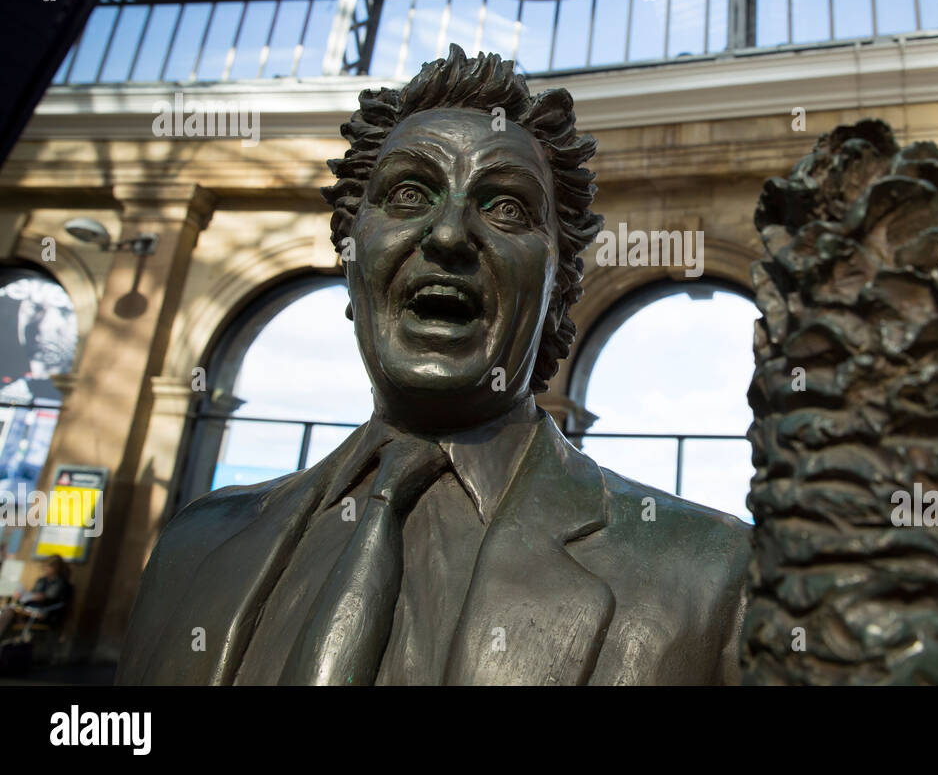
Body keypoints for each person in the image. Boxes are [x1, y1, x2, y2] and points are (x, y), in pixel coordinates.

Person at [117, 45, 751, 685]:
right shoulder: (191, 549)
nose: (448, 235)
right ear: (351, 255)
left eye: (505, 207)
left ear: (561, 287)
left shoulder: (710, 580)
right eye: (409, 192)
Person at [0, 555, 70, 639]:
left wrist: (40, 597)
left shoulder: (61, 583)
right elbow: (32, 594)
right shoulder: (42, 580)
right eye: (46, 566)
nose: (46, 568)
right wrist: (22, 595)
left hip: (44, 612)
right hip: (29, 608)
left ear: (56, 568)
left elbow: (50, 598)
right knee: (7, 611)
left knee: (8, 613)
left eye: (49, 566)